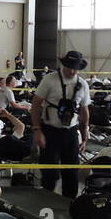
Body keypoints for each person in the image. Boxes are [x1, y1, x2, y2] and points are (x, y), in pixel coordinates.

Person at [31, 50, 91, 198]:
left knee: (71, 173)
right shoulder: (50, 80)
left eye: (75, 68)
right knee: (50, 173)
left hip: (71, 133)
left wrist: (84, 138)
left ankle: (69, 207)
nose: (72, 71)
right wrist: (37, 129)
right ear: (63, 64)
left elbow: (84, 111)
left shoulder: (82, 85)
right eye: (69, 67)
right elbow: (36, 104)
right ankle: (46, 206)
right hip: (50, 131)